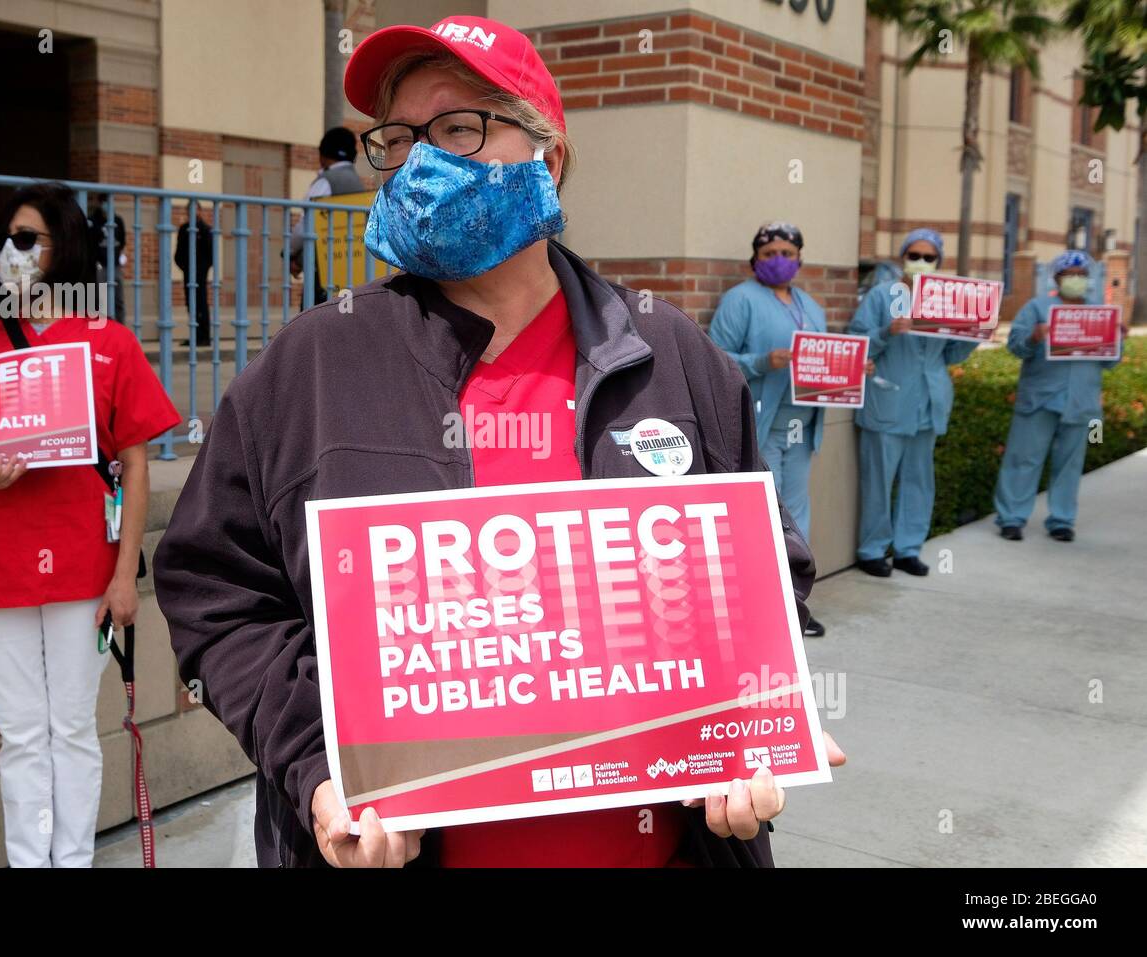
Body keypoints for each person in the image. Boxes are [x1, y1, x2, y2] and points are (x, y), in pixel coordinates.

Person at [155, 13, 843, 870]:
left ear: (548, 159)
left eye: (458, 127)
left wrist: (746, 725)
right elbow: (217, 592)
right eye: (399, 138)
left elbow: (764, 565)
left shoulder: (668, 354)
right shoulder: (315, 364)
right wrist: (321, 765)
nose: (420, 160)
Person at [0, 182, 180, 867]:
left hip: (83, 566)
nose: (17, 251)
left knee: (71, 729)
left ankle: (73, 860)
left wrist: (126, 576)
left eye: (31, 238)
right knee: (21, 733)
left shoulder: (109, 341)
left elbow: (136, 463)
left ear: (65, 248)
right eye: (9, 238)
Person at [711, 222, 869, 638]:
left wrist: (851, 370)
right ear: (755, 260)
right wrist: (763, 362)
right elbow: (717, 358)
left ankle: (794, 602)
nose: (779, 260)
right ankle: (763, 607)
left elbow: (824, 362)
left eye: (787, 253)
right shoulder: (740, 301)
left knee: (796, 515)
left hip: (802, 425)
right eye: (769, 254)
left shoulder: (810, 306)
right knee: (763, 513)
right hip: (761, 422)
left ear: (799, 259)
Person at [847, 228, 977, 577]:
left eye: (928, 257)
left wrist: (974, 334)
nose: (920, 262)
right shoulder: (880, 296)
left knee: (920, 480)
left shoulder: (946, 299)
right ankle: (872, 550)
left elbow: (952, 354)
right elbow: (856, 344)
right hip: (887, 401)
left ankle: (908, 549)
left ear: (939, 261)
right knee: (879, 479)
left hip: (928, 404)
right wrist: (887, 332)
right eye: (914, 255)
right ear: (903, 257)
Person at [994, 250, 1127, 542]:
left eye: (1081, 276)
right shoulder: (1037, 308)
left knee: (1070, 464)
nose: (1075, 280)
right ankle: (1011, 518)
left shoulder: (1099, 313)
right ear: (1057, 278)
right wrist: (1034, 337)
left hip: (1080, 402)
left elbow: (1110, 362)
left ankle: (1062, 520)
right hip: (1039, 399)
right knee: (1023, 459)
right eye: (1070, 275)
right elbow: (1015, 346)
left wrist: (1118, 340)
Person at [301, 127, 365, 303]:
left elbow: (306, 224)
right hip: (350, 267)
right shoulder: (359, 183)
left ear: (323, 155)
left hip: (322, 268)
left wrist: (290, 254)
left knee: (313, 321)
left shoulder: (325, 181)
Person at [174, 207, 214, 347]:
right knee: (191, 305)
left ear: (199, 210)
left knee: (201, 304)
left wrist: (201, 269)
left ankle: (205, 336)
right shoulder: (184, 229)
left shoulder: (205, 229)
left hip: (200, 275)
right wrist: (186, 268)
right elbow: (178, 254)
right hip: (188, 274)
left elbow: (211, 255)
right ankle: (195, 336)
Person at [88, 194, 127, 323]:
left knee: (118, 299)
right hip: (99, 265)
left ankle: (121, 328)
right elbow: (90, 243)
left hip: (115, 265)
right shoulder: (93, 220)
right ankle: (103, 329)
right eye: (104, 201)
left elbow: (122, 242)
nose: (107, 205)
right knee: (100, 299)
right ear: (99, 203)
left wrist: (120, 259)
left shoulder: (118, 220)